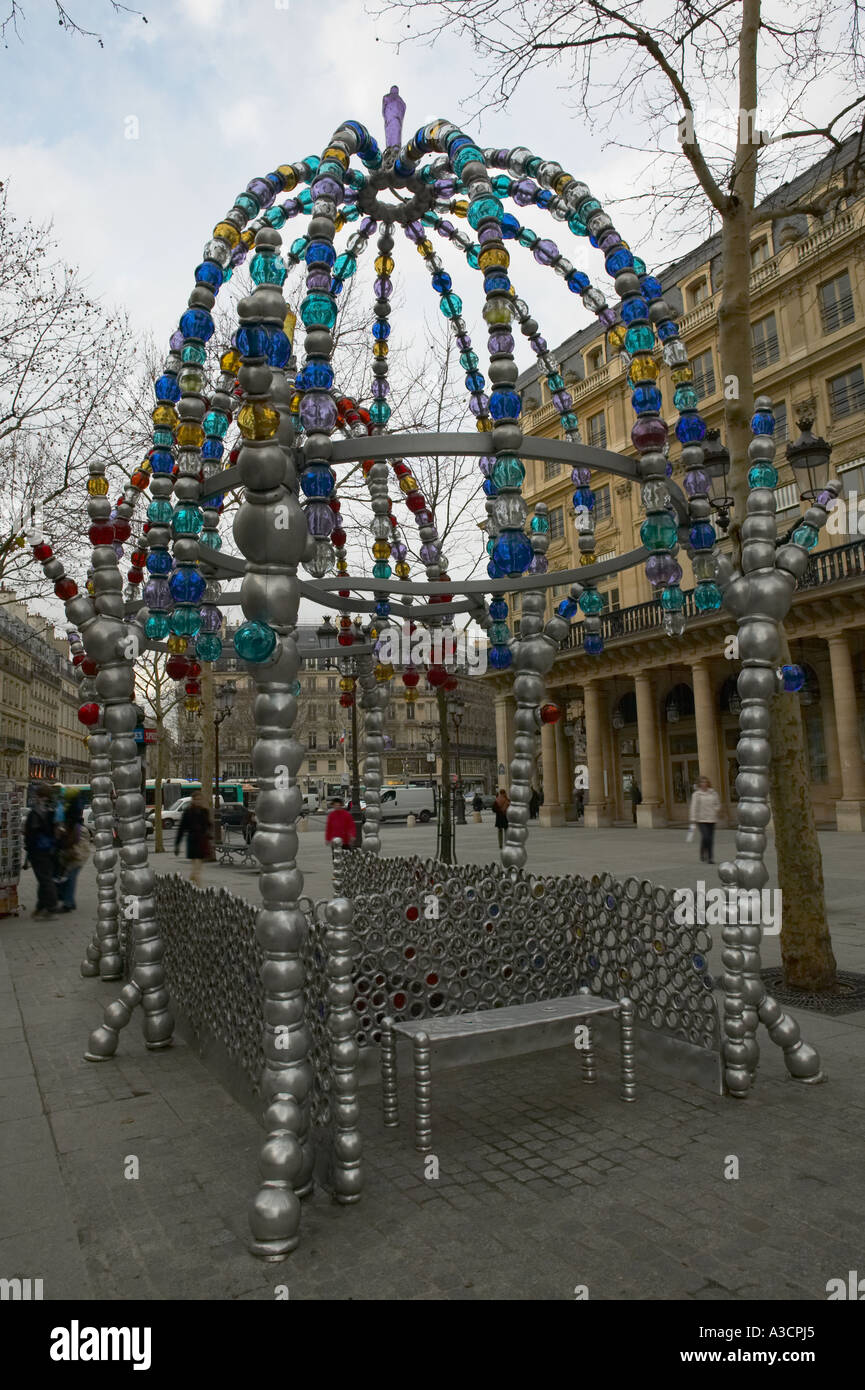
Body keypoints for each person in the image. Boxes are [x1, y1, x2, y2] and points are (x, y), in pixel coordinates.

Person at [24, 786, 61, 918]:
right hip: (50, 848)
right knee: (44, 878)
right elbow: (55, 830)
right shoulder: (52, 809)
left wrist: (29, 847)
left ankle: (51, 907)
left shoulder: (37, 811)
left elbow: (32, 832)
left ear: (39, 796)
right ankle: (41, 906)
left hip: (38, 850)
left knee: (45, 879)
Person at [58, 796, 90, 912]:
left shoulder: (73, 822)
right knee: (69, 877)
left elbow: (74, 838)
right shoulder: (77, 819)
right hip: (79, 854)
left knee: (70, 878)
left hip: (77, 854)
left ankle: (68, 903)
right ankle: (69, 901)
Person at [174, 791, 213, 886]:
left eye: (200, 799)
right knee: (196, 869)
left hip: (202, 842)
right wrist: (177, 844)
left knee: (196, 869)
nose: (198, 801)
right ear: (192, 800)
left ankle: (189, 885)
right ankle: (199, 888)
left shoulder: (205, 811)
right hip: (192, 842)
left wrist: (209, 833)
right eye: (196, 799)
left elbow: (208, 825)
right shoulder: (187, 812)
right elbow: (181, 829)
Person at [689, 775, 721, 864]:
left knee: (710, 839)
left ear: (708, 783)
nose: (704, 784)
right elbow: (693, 807)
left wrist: (716, 810)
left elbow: (717, 804)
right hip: (701, 819)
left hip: (712, 818)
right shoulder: (696, 794)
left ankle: (710, 858)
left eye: (705, 782)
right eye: (702, 782)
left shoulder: (713, 793)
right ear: (699, 784)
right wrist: (693, 818)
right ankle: (702, 851)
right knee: (705, 837)